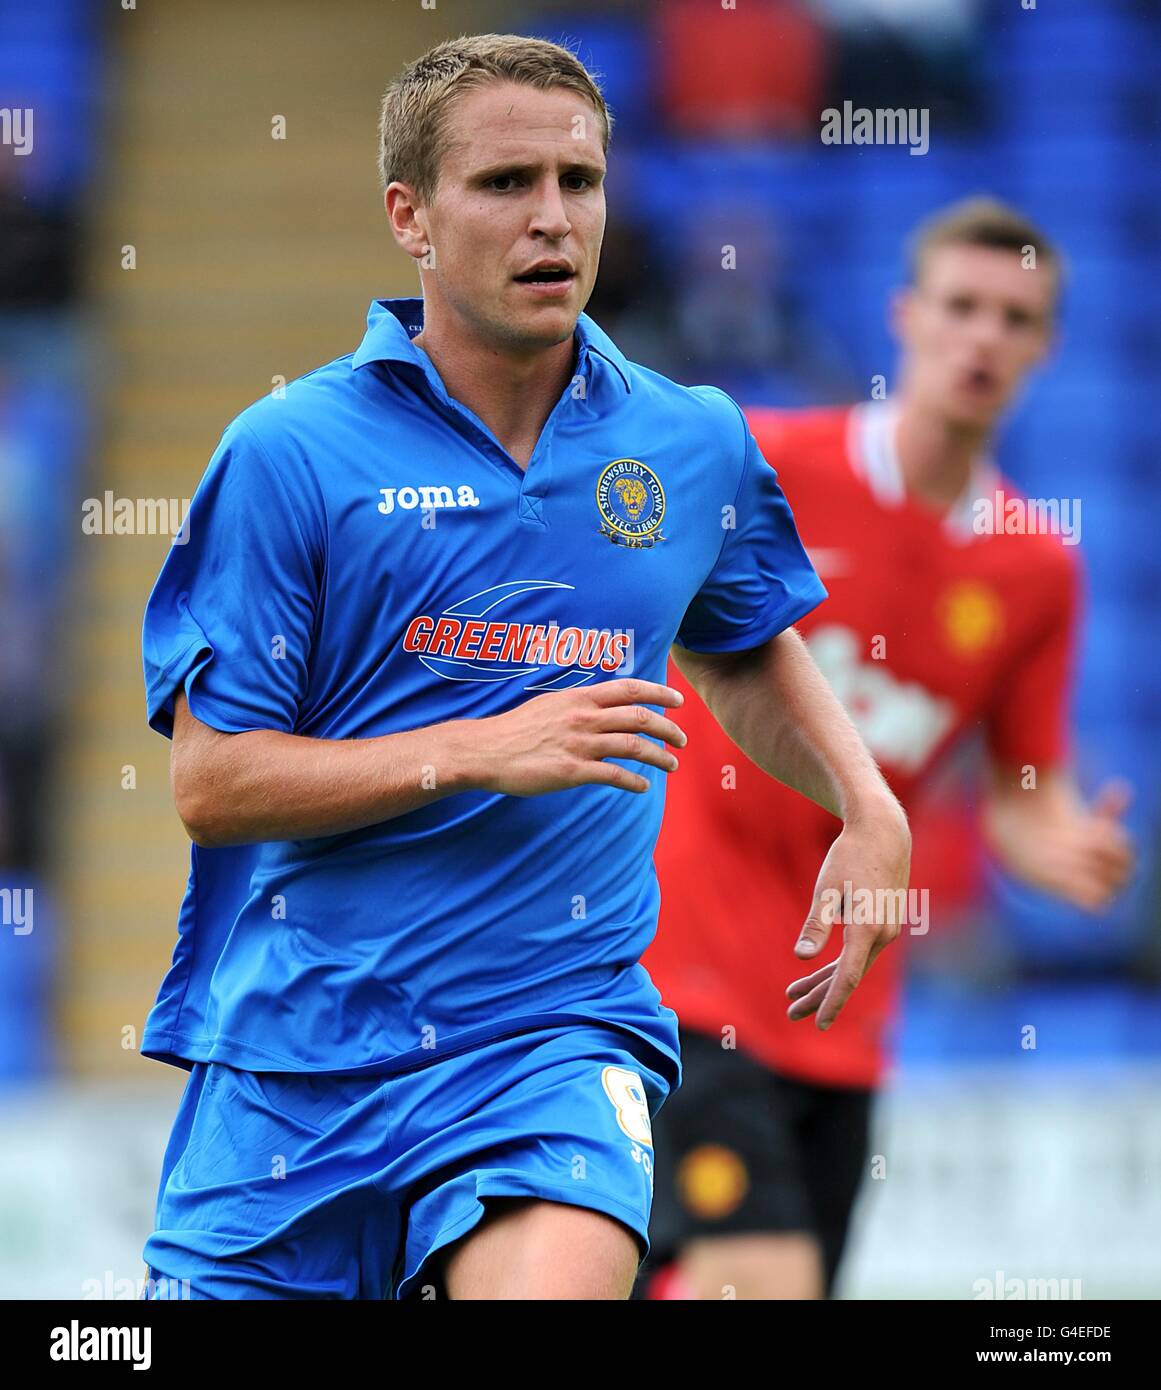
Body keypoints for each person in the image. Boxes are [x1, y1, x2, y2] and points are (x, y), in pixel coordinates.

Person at [136, 34, 910, 1301]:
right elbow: (213, 782)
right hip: (297, 1063)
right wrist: (479, 750)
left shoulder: (689, 441)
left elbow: (744, 642)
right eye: (504, 185)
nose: (553, 218)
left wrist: (866, 807)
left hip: (549, 1040)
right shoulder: (289, 452)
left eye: (580, 181)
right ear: (412, 218)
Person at [640, 197, 1135, 1301]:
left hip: (842, 1004)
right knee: (757, 1277)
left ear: (1045, 346)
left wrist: (1050, 838)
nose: (984, 337)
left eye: (1016, 317)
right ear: (905, 316)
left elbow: (1020, 781)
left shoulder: (1033, 571)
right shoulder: (768, 466)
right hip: (683, 969)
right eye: (962, 306)